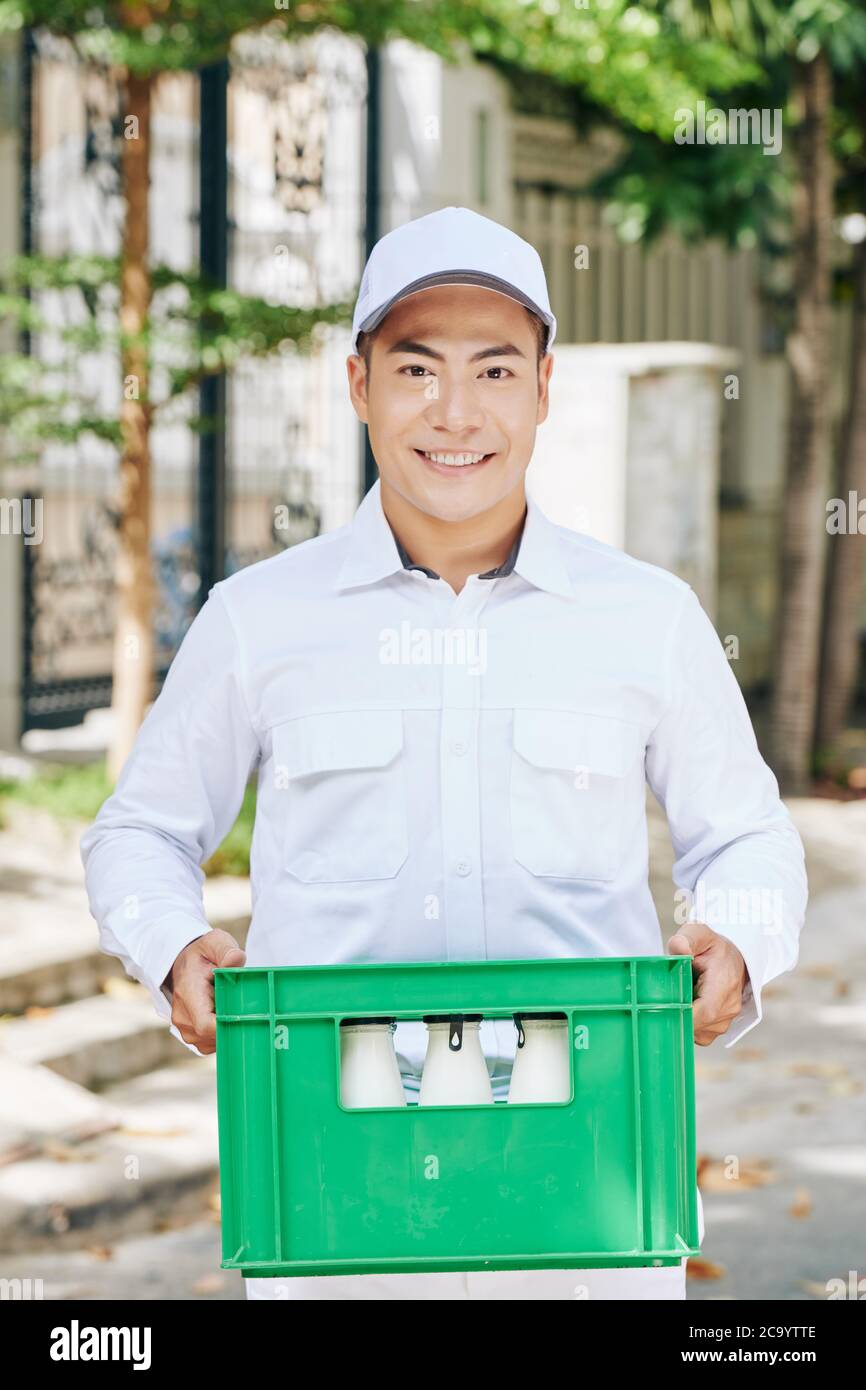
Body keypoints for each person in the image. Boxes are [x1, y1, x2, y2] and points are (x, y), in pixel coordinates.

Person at [80, 206, 807, 1301]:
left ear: (544, 388)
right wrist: (173, 944)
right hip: (334, 1211)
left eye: (494, 370)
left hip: (590, 1209)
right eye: (414, 368)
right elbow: (137, 831)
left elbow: (747, 837)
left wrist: (737, 943)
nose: (454, 412)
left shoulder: (644, 617)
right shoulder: (259, 619)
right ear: (358, 384)